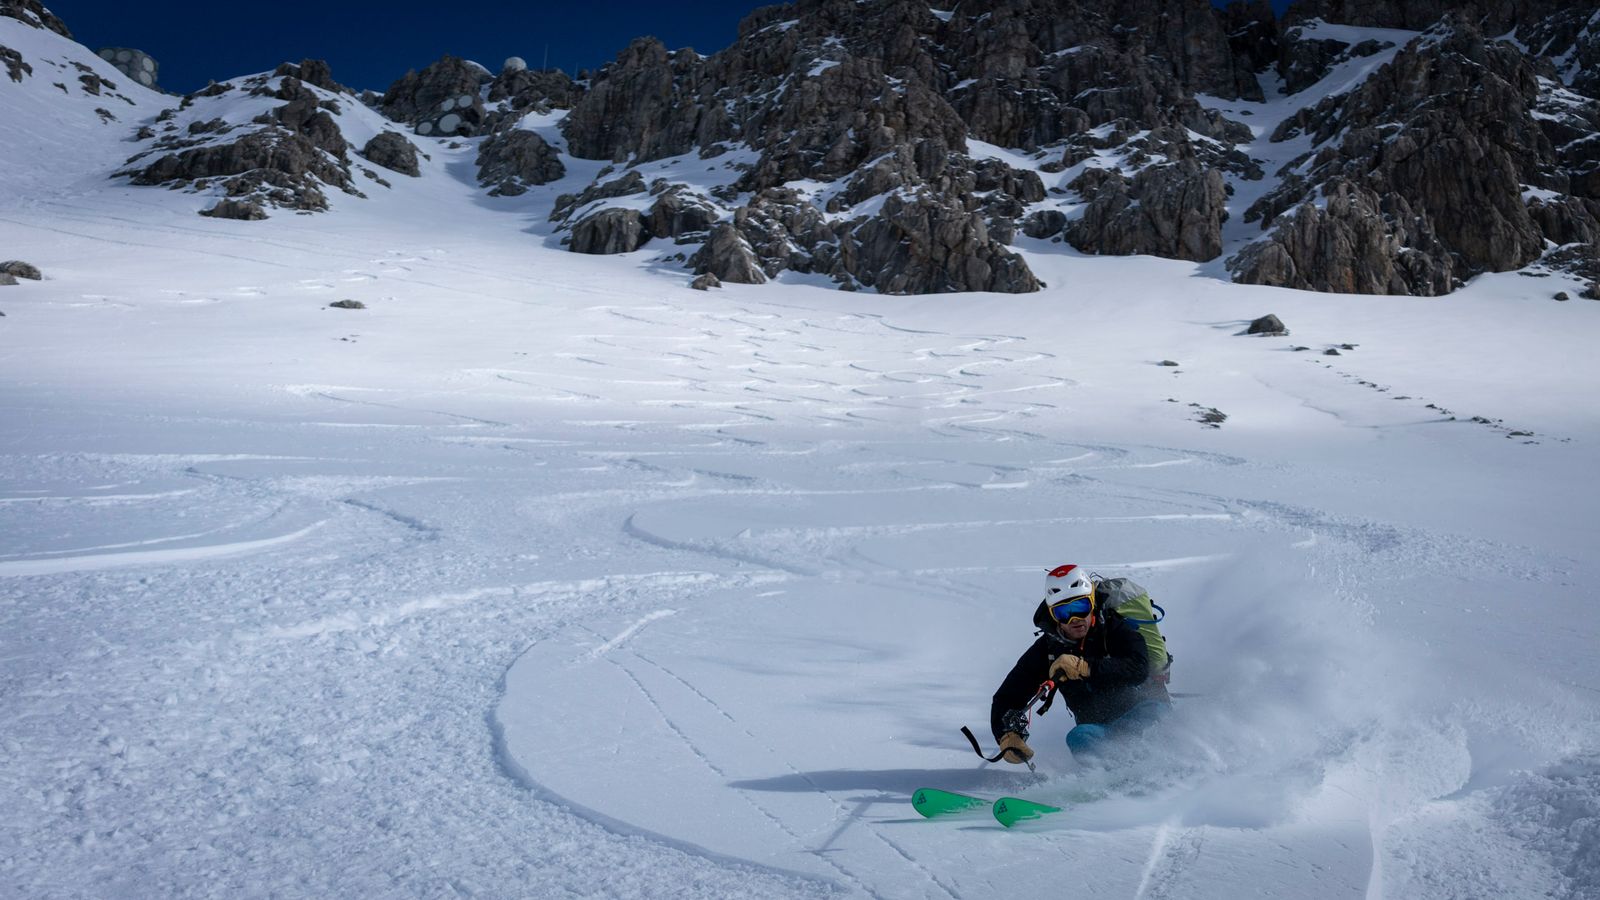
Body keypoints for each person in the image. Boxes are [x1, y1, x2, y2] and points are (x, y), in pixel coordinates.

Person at [991, 564, 1168, 761]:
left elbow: (1139, 667)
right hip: (1099, 729)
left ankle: (1164, 769)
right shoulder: (1048, 650)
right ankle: (1107, 784)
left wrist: (1086, 668)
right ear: (1053, 615)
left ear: (1092, 602)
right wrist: (1006, 734)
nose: (1075, 619)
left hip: (1144, 710)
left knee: (1155, 719)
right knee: (1079, 738)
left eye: (1081, 607)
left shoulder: (1115, 628)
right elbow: (1007, 696)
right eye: (1063, 612)